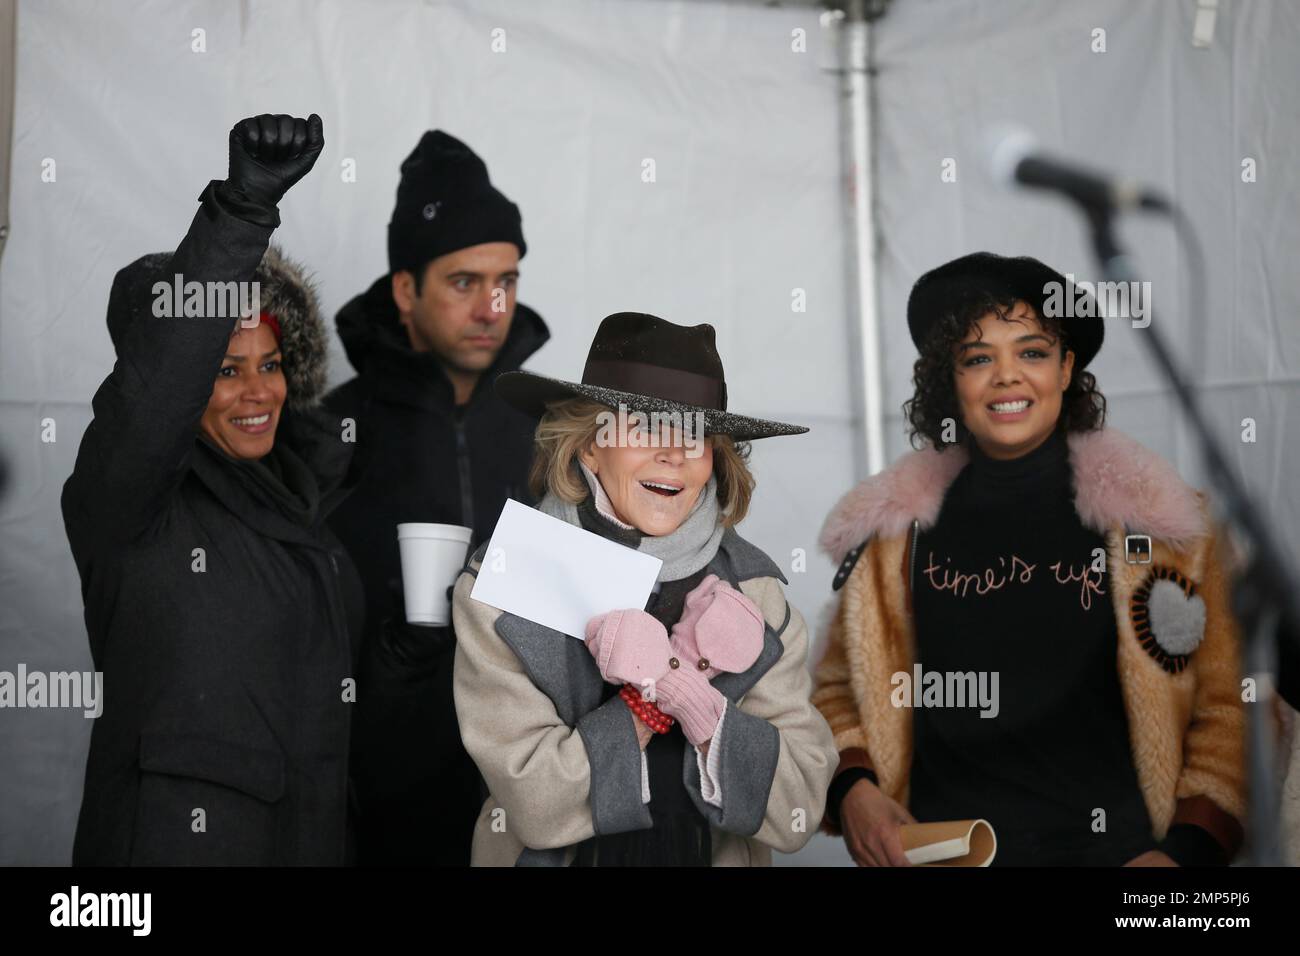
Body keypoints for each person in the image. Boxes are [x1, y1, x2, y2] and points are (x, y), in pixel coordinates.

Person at [812, 252, 1246, 867]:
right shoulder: (892, 536)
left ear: (1067, 368)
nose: (1007, 376)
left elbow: (1229, 708)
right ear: (949, 380)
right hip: (948, 858)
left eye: (1033, 352)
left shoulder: (1167, 531)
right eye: (978, 357)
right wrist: (852, 790)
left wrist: (1183, 856)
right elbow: (834, 691)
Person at [62, 113, 365, 865]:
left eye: (269, 362)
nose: (258, 390)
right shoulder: (128, 504)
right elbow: (159, 385)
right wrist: (241, 212)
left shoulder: (302, 499)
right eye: (225, 369)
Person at [450, 312, 837, 866]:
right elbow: (537, 803)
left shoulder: (756, 591)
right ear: (588, 446)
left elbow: (799, 804)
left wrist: (694, 700)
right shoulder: (506, 581)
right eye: (645, 427)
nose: (674, 454)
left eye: (696, 435)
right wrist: (643, 705)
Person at [323, 130, 549, 865]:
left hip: (527, 801)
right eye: (464, 281)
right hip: (372, 811)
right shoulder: (330, 435)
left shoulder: (554, 429)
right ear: (404, 290)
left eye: (506, 280)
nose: (492, 306)